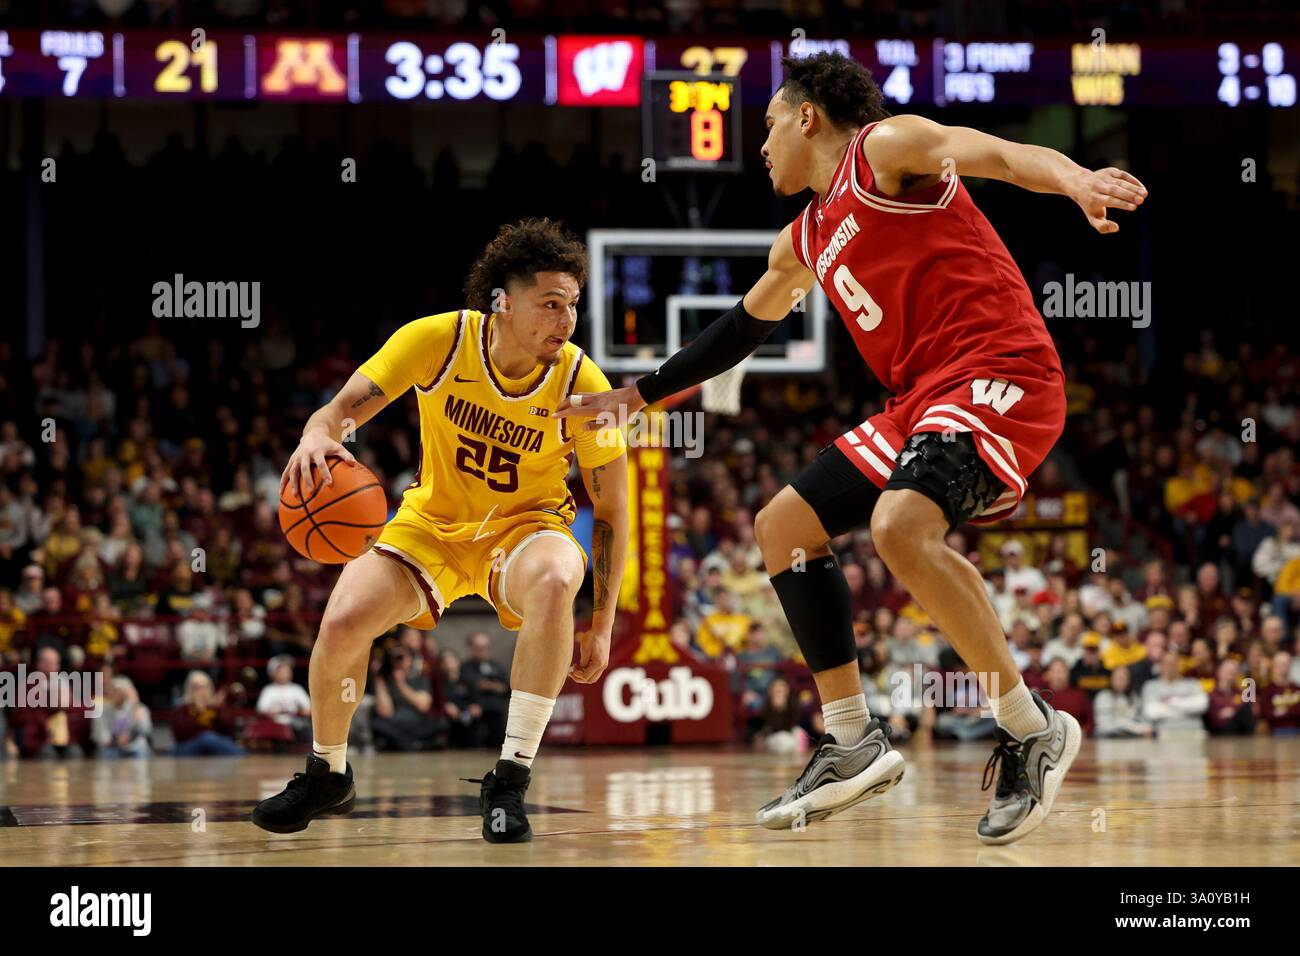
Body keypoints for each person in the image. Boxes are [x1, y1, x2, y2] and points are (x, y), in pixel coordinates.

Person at [560, 51, 1144, 844]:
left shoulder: (884, 148)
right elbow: (741, 330)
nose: (760, 144)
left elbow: (999, 154)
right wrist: (641, 392)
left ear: (807, 116)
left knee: (899, 526)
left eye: (767, 123)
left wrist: (1072, 178)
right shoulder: (801, 237)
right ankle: (850, 740)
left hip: (998, 369)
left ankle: (1028, 723)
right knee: (780, 527)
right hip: (917, 401)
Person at [253, 220, 630, 844]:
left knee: (561, 575)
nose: (566, 321)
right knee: (344, 619)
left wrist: (606, 620)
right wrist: (316, 433)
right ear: (503, 302)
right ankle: (328, 771)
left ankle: (510, 777)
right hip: (430, 525)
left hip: (526, 531)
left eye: (572, 306)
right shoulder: (438, 340)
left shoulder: (580, 382)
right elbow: (341, 410)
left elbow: (612, 507)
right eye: (551, 304)